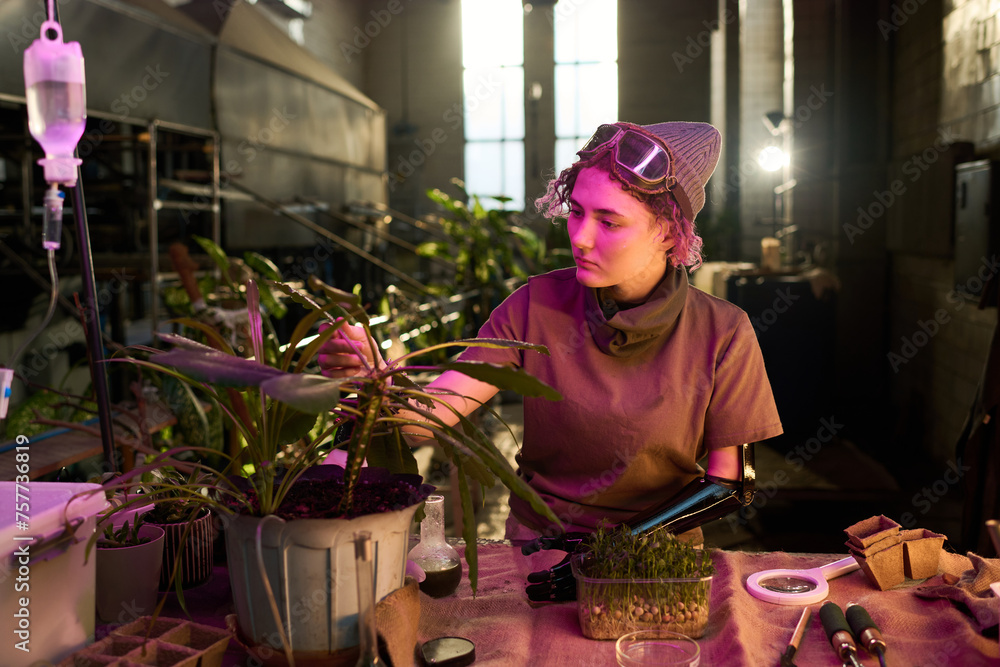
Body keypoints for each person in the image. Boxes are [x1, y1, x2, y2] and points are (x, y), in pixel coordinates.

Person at [319, 120, 783, 598]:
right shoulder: (534, 306)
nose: (580, 237)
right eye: (576, 212)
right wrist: (372, 381)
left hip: (658, 557)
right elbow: (431, 416)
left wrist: (612, 550)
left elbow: (730, 484)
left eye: (609, 222)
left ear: (668, 233)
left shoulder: (723, 331)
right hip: (539, 551)